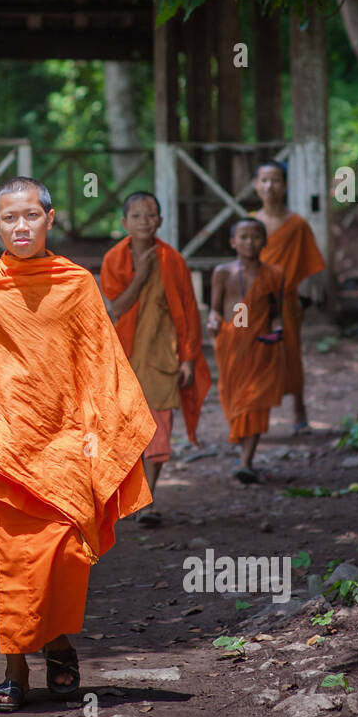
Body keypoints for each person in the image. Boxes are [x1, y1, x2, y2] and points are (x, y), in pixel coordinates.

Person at [0, 176, 155, 712]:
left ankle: (60, 642)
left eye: (31, 216)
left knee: (66, 554)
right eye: (10, 219)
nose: (21, 227)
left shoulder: (76, 283)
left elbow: (99, 361)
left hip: (66, 442)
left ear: (51, 218)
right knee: (9, 561)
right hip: (4, 444)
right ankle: (14, 670)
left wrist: (106, 432)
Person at [99, 191, 211, 522]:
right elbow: (117, 307)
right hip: (125, 357)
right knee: (128, 429)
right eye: (136, 216)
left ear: (160, 221)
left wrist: (188, 358)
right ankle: (132, 496)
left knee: (158, 428)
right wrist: (141, 276)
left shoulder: (173, 260)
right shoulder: (114, 260)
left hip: (164, 357)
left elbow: (189, 312)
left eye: (151, 216)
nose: (144, 221)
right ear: (124, 223)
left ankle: (147, 500)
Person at [250, 160, 326, 433]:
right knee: (258, 356)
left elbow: (311, 263)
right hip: (255, 301)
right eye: (264, 180)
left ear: (285, 185)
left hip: (286, 300)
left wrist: (309, 297)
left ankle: (299, 409)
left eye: (276, 180)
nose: (269, 186)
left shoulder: (297, 225)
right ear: (256, 185)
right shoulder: (250, 224)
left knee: (291, 353)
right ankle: (259, 417)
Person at [207, 218, 285, 484]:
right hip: (231, 344)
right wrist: (213, 320)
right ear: (233, 242)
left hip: (261, 344)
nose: (249, 242)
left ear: (264, 242)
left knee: (255, 402)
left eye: (255, 237)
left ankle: (245, 461)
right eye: (243, 237)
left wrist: (277, 331)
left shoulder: (275, 274)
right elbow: (215, 307)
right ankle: (244, 451)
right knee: (235, 401)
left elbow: (277, 312)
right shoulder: (223, 272)